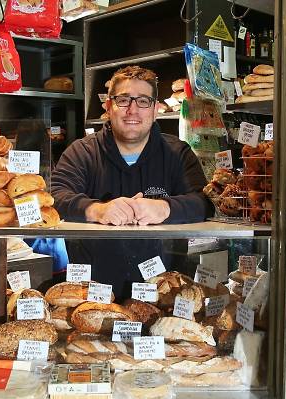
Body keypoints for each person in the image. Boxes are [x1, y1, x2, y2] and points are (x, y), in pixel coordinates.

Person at [51, 66, 212, 299]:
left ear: (156, 110)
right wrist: (97, 209)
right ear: (109, 107)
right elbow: (55, 196)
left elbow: (204, 202)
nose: (132, 110)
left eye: (143, 101)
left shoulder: (177, 153)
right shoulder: (82, 152)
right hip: (92, 293)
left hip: (162, 292)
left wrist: (165, 208)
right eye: (123, 100)